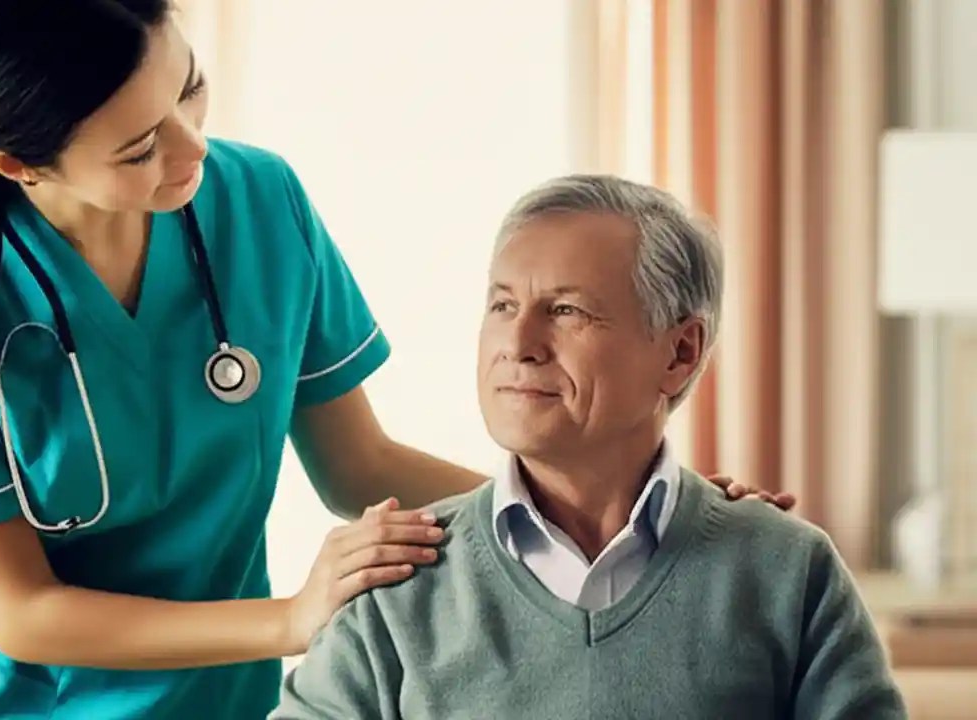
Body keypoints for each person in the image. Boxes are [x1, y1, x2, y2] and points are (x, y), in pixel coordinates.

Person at [0, 2, 785, 717]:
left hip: (217, 695)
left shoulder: (259, 198)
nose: (192, 152)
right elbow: (20, 612)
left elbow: (361, 467)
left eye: (188, 89)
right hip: (4, 699)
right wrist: (292, 618)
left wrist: (630, 518)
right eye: (141, 148)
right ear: (18, 167)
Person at [271, 175, 906, 720]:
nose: (518, 342)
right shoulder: (395, 580)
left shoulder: (787, 570)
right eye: (502, 304)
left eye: (567, 311)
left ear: (680, 353)